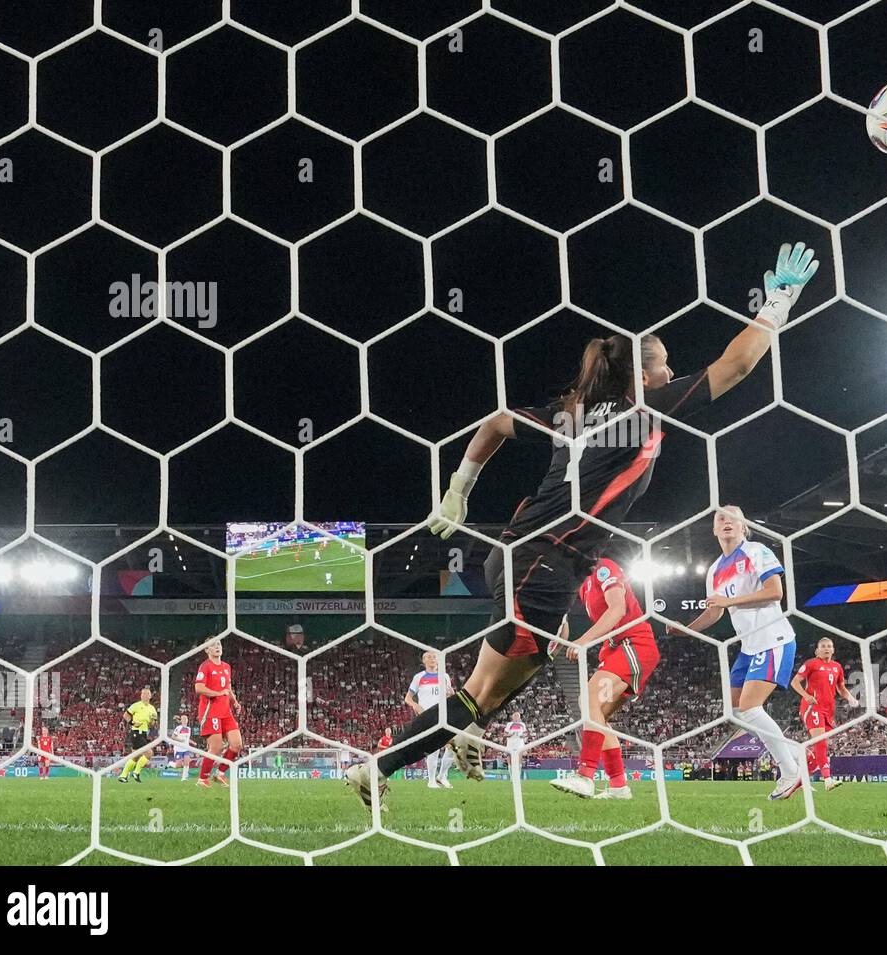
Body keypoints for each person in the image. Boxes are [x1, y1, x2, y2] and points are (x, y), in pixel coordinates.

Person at [346, 243, 820, 808]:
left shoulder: (572, 413)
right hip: (544, 560)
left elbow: (498, 420)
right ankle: (385, 763)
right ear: (641, 376)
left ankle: (454, 735)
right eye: (664, 363)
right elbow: (736, 366)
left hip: (523, 555)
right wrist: (778, 302)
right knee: (486, 687)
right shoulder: (643, 412)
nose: (671, 371)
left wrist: (459, 493)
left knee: (507, 680)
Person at [672, 506, 804, 800]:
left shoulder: (756, 552)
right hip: (749, 646)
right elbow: (715, 611)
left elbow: (775, 592)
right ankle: (793, 751)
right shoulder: (714, 569)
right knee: (735, 712)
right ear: (714, 529)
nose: (727, 521)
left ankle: (791, 771)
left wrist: (731, 599)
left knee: (750, 707)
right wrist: (687, 630)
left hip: (773, 637)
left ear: (744, 526)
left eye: (733, 517)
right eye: (720, 518)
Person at [550, 557, 659, 800]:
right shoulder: (581, 585)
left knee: (588, 699)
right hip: (614, 648)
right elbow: (563, 625)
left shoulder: (603, 568)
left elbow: (618, 609)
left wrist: (583, 641)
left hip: (633, 644)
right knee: (598, 715)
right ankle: (619, 786)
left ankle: (585, 776)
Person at [790, 637, 859, 791]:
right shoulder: (811, 664)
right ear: (817, 650)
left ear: (833, 650)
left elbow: (841, 688)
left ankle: (796, 783)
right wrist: (806, 695)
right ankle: (827, 779)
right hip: (812, 706)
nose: (826, 648)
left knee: (818, 751)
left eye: (829, 646)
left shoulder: (837, 667)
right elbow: (795, 682)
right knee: (821, 743)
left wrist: (850, 698)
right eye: (823, 646)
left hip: (829, 710)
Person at [195, 638, 243, 789]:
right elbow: (199, 688)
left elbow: (227, 688)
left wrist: (234, 701)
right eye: (213, 645)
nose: (217, 647)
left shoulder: (226, 667)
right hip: (210, 712)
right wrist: (217, 692)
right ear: (206, 650)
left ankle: (220, 773)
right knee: (215, 748)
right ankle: (202, 779)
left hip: (226, 712)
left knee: (236, 745)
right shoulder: (205, 666)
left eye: (219, 644)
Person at [405, 651, 455, 789]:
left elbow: (449, 696)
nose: (432, 659)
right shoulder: (419, 677)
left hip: (444, 714)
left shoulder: (444, 677)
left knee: (453, 746)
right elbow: (408, 698)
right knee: (434, 748)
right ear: (424, 661)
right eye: (429, 657)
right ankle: (431, 780)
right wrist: (415, 705)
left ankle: (442, 776)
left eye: (434, 657)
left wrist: (451, 694)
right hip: (428, 715)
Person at [118, 686, 159, 783]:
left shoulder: (152, 709)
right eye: (143, 694)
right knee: (149, 753)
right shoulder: (136, 705)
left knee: (135, 756)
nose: (145, 695)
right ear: (141, 696)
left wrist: (153, 721)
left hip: (144, 733)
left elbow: (152, 724)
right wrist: (132, 723)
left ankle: (123, 775)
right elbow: (126, 715)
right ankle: (136, 772)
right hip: (136, 732)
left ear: (150, 696)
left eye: (147, 694)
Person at [171, 713, 194, 781]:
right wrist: (180, 740)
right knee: (178, 765)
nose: (185, 720)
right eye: (183, 719)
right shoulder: (178, 728)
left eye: (186, 718)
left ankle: (184, 778)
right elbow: (173, 737)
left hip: (186, 748)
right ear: (181, 720)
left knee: (187, 763)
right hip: (178, 749)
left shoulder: (189, 729)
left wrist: (193, 742)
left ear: (187, 720)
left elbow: (187, 739)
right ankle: (170, 764)